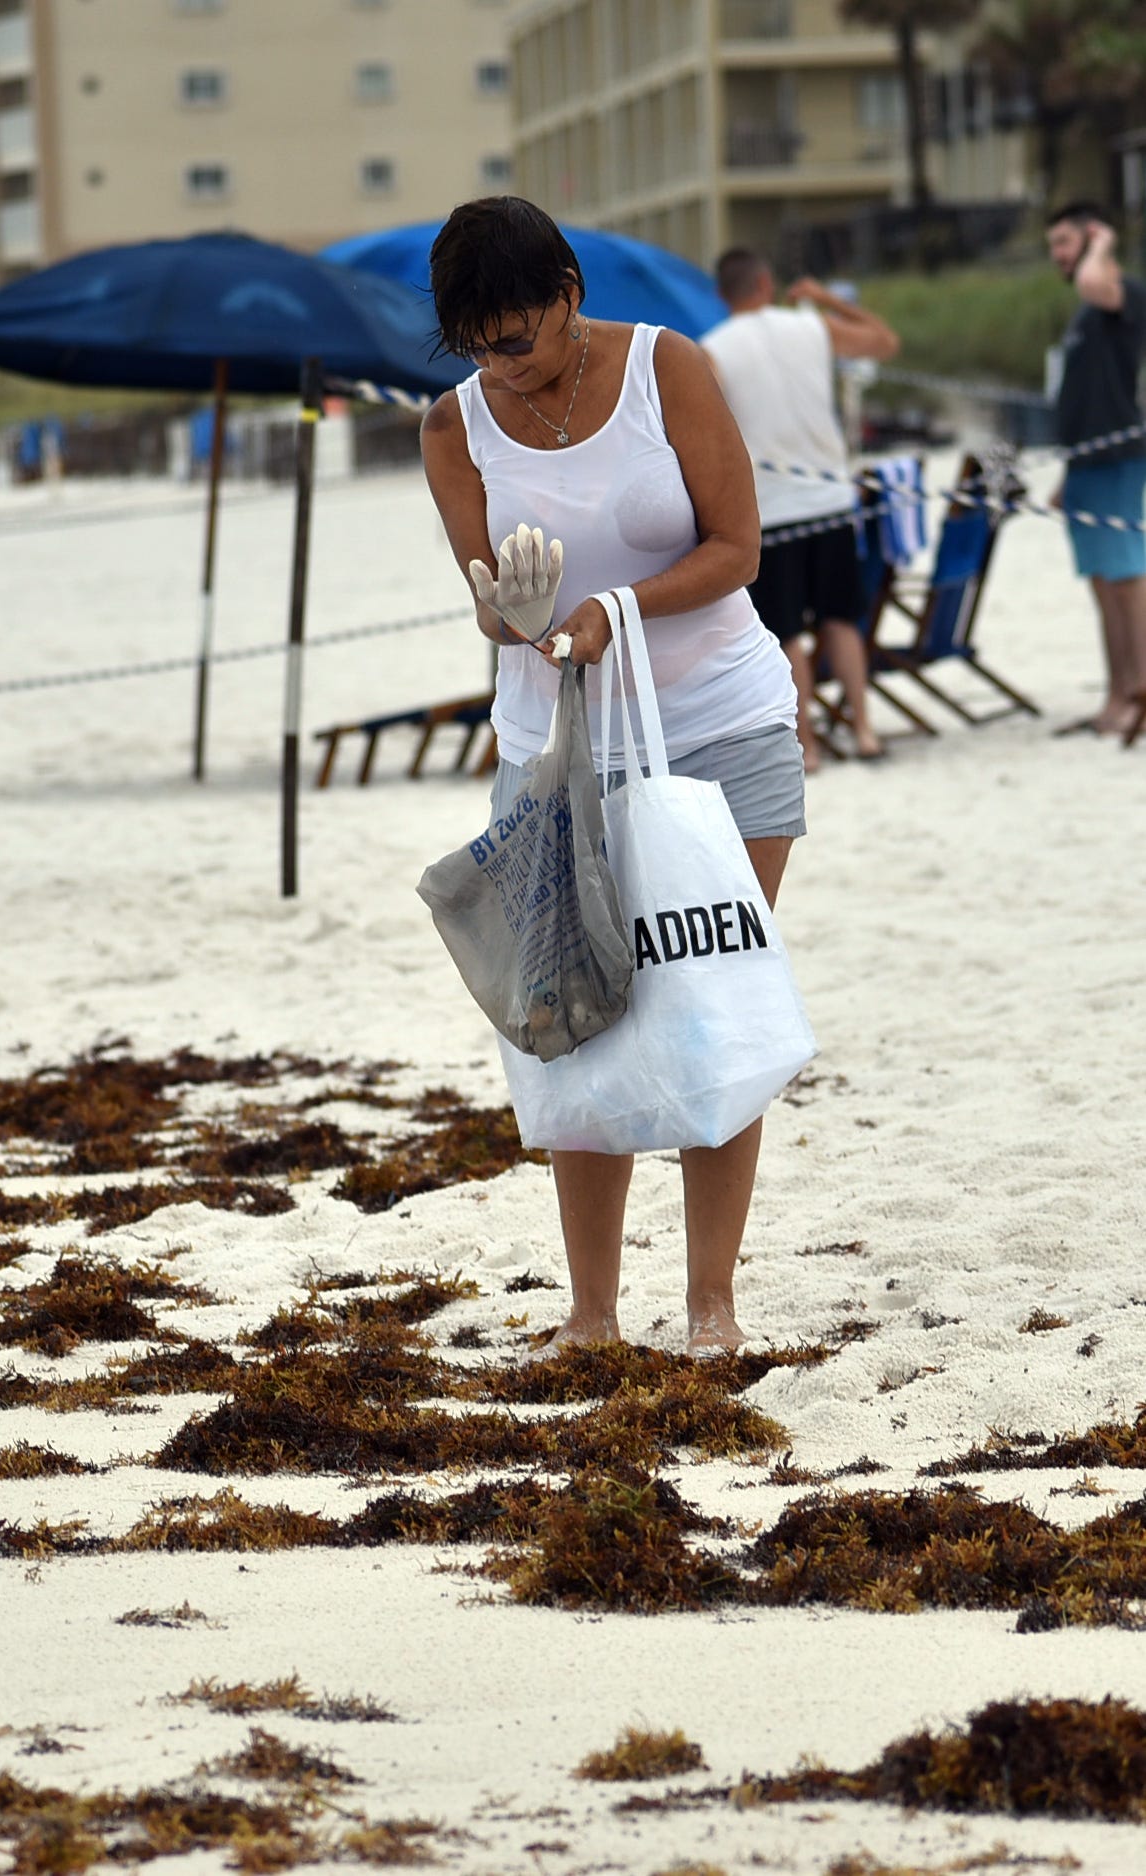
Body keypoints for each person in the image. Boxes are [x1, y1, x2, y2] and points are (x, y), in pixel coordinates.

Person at [419, 195, 804, 1355]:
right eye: (479, 346)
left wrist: (611, 610)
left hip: (719, 723)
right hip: (555, 753)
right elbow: (491, 612)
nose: (507, 365)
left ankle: (710, 1307)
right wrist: (515, 615)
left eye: (520, 336)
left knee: (704, 1005)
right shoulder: (452, 428)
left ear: (567, 293)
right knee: (571, 1018)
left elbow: (734, 545)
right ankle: (590, 1314)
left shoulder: (661, 369)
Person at [700, 249, 900, 771]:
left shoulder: (713, 350)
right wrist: (825, 297)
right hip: (831, 498)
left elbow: (711, 433)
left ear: (723, 295)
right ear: (767, 282)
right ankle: (863, 728)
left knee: (785, 632)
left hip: (772, 509)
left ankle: (806, 745)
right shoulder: (811, 327)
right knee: (840, 620)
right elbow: (884, 341)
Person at [1044, 202, 1146, 738]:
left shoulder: (1119, 294)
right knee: (1103, 587)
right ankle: (1117, 695)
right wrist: (1067, 477)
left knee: (1128, 584)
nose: (1056, 255)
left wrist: (1101, 245)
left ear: (1091, 238)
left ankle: (1139, 698)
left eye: (1064, 242)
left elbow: (1091, 283)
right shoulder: (1086, 313)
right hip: (1085, 465)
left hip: (1118, 461)